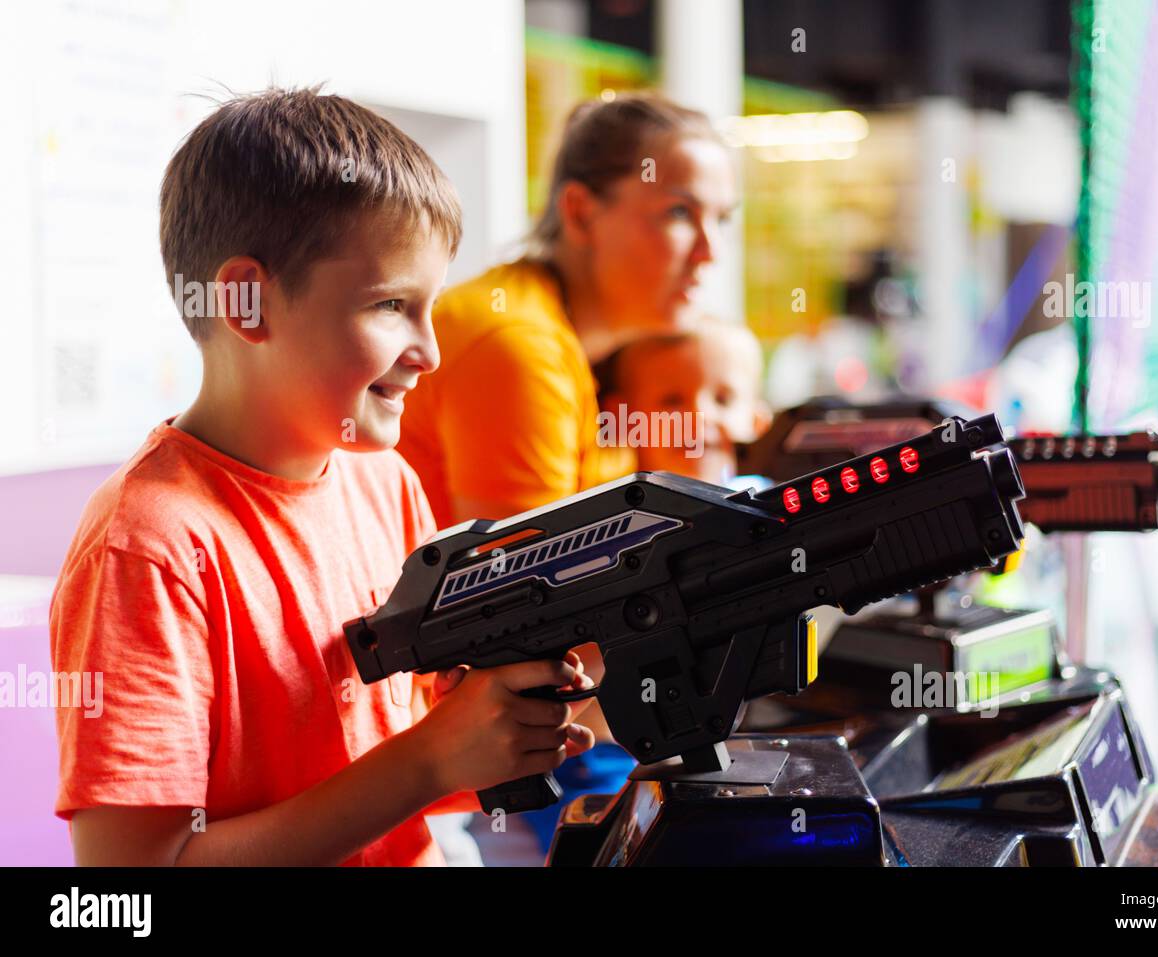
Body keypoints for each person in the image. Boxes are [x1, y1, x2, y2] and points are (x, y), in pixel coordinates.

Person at [48, 87, 594, 866]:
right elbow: (132, 880)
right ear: (246, 301)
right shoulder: (148, 545)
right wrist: (434, 757)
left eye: (430, 306)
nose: (429, 352)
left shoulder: (387, 482)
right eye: (391, 305)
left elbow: (397, 777)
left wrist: (499, 731)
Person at [396, 92, 738, 526]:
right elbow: (520, 585)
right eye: (679, 212)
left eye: (722, 219)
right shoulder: (519, 345)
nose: (711, 252)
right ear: (579, 214)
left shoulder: (608, 345)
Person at [593, 319, 771, 485]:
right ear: (621, 421)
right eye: (672, 401)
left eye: (722, 400)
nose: (700, 415)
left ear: (758, 422)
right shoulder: (604, 510)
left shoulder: (776, 504)